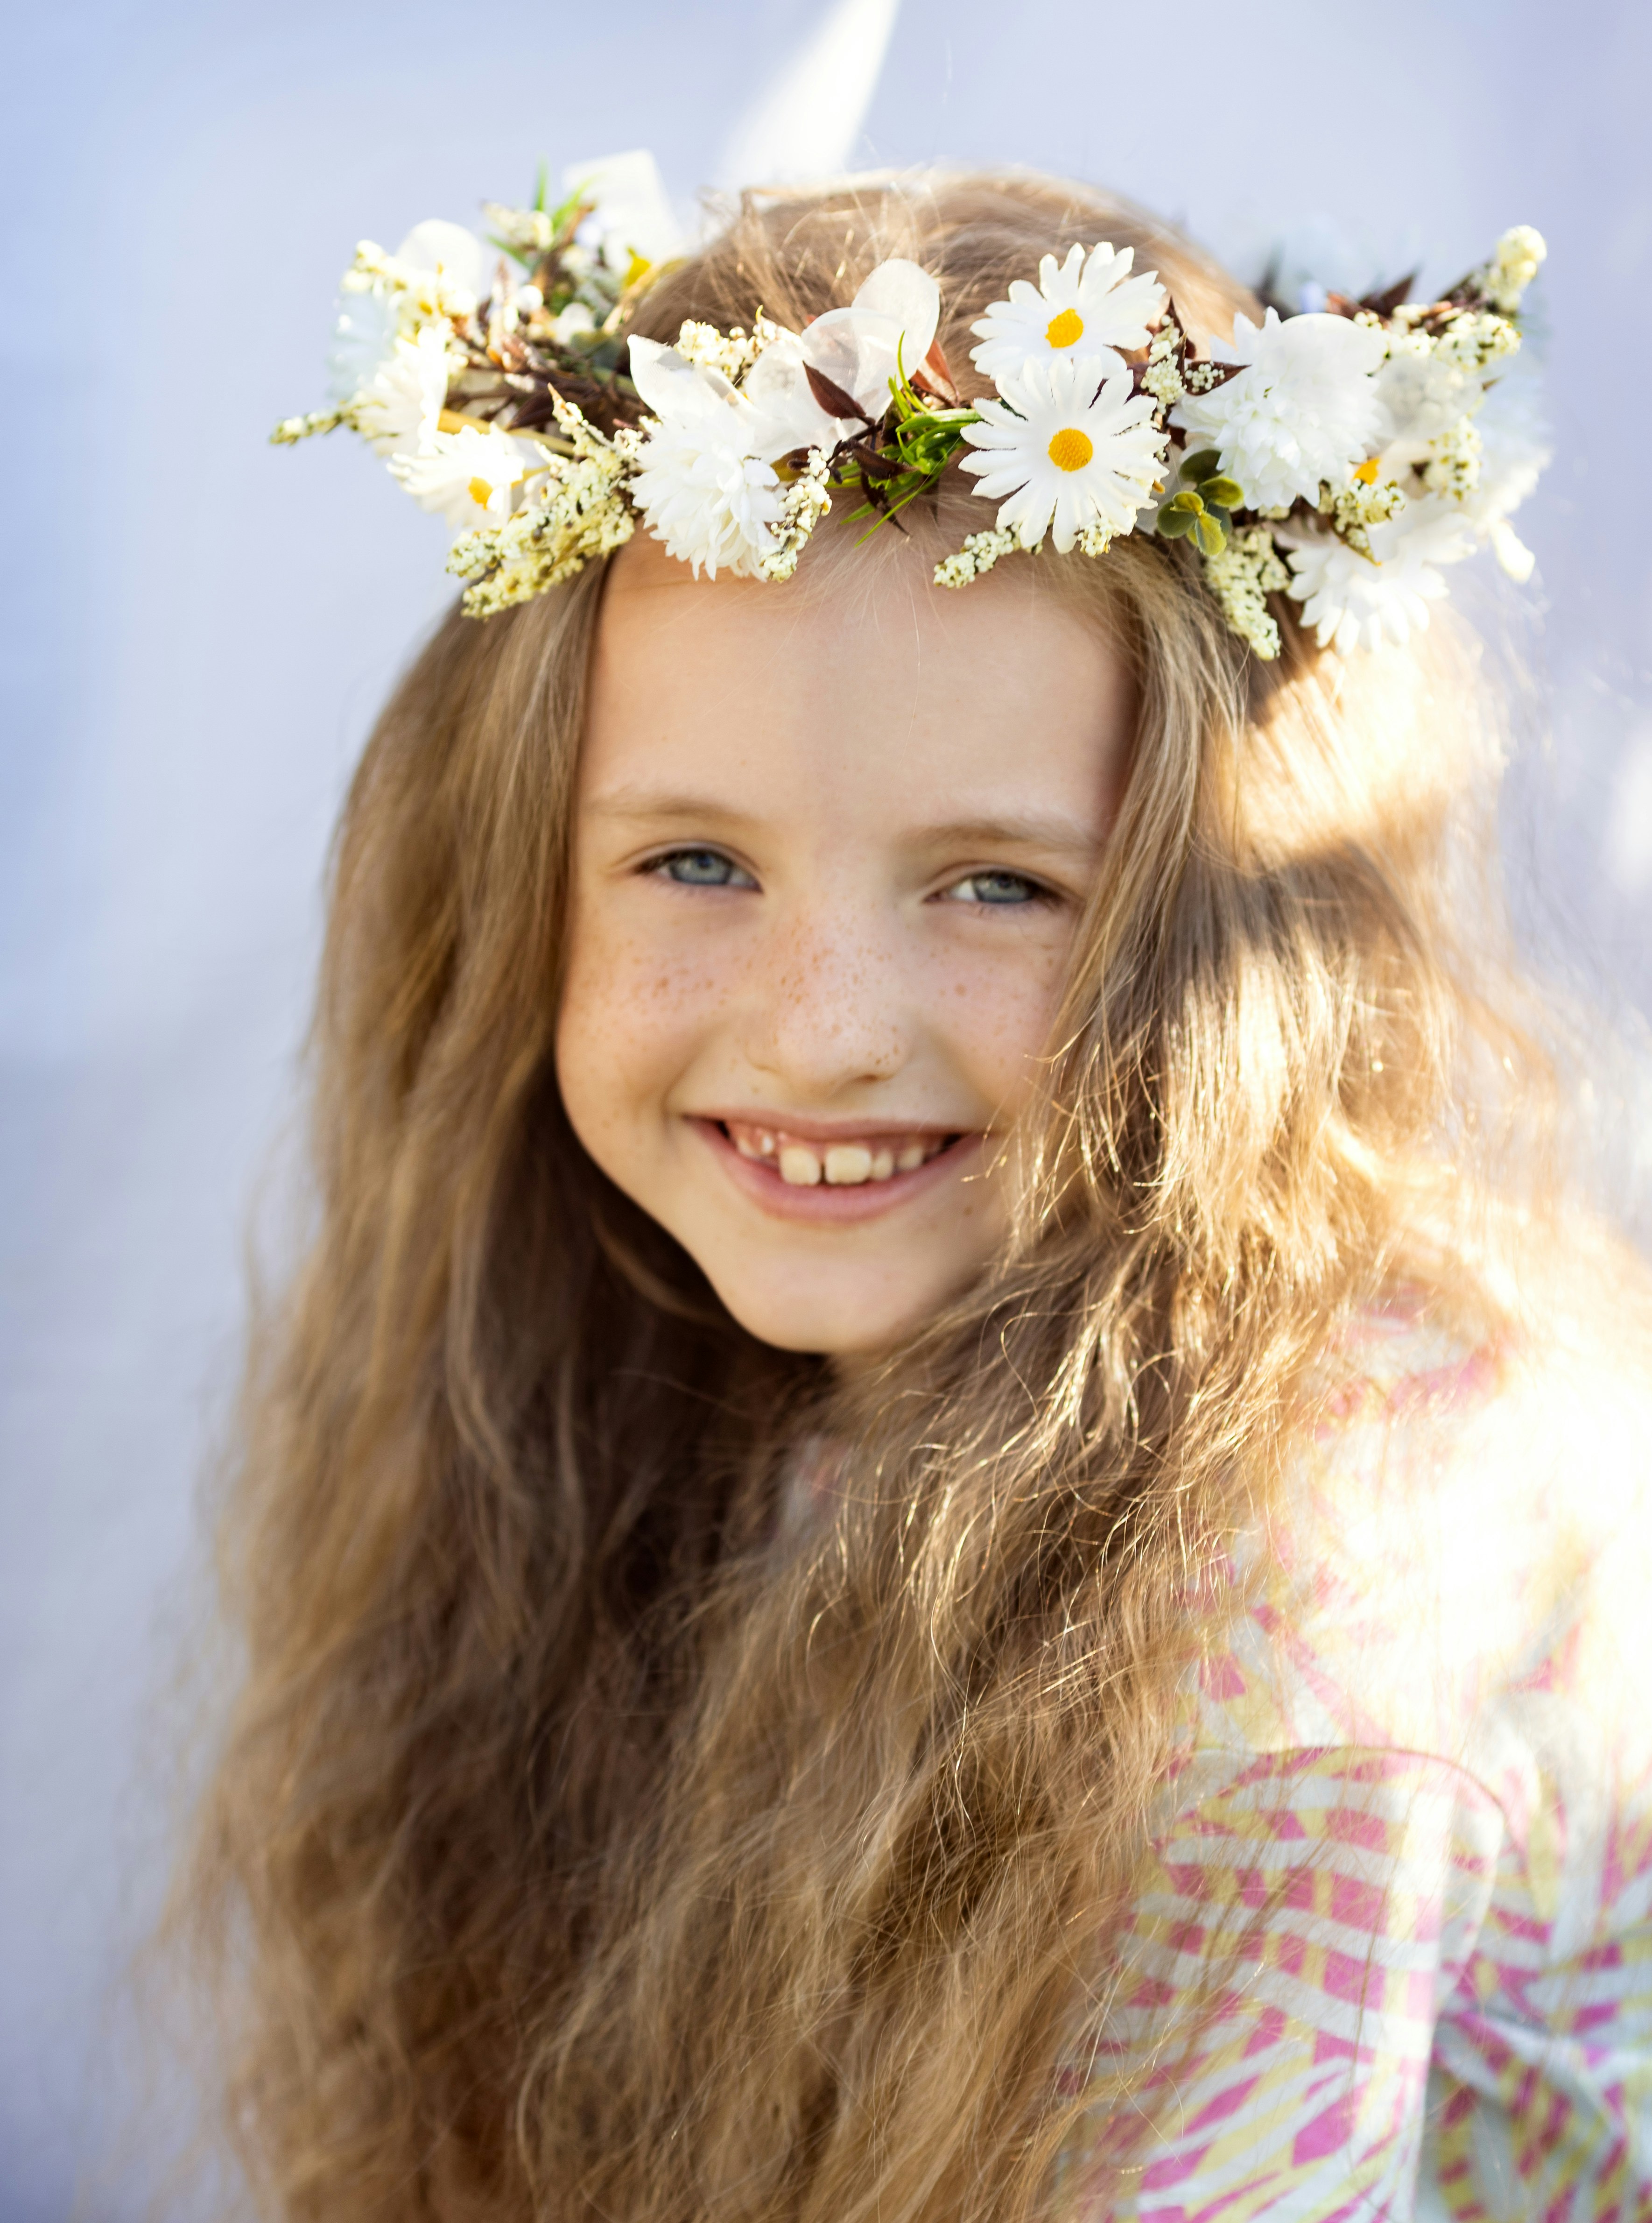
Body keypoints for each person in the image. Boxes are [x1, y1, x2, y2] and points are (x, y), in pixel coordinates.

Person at [183, 169, 1652, 2220]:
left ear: (1241, 928)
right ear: (508, 881)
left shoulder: (1302, 1620)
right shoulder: (720, 1370)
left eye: (998, 885)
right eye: (694, 860)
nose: (819, 1034)